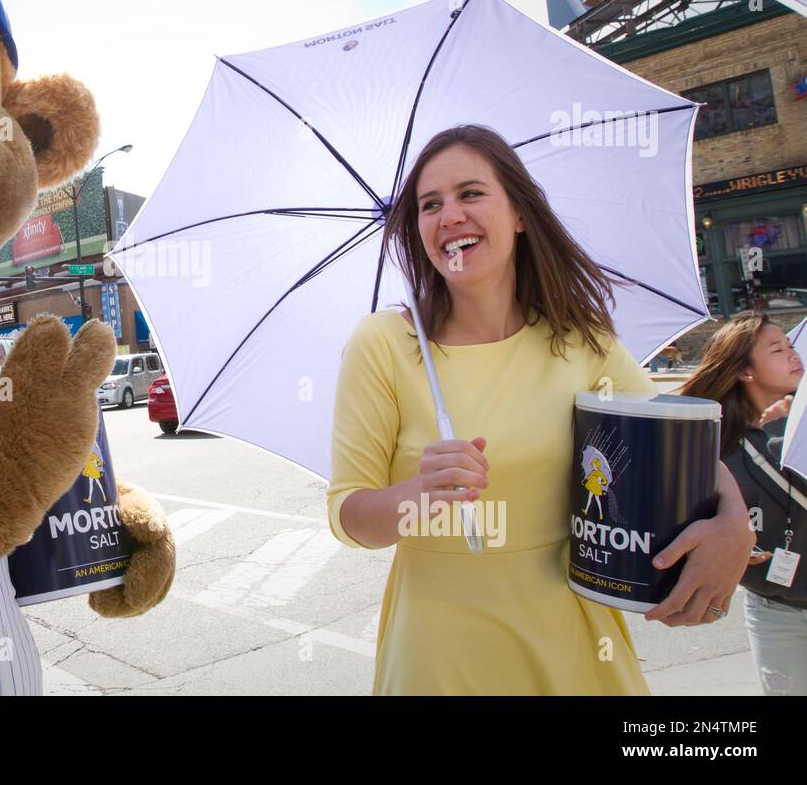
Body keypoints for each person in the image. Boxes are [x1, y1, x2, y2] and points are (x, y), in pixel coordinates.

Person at [328, 124, 756, 695]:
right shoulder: (382, 342)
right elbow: (349, 516)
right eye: (430, 205)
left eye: (471, 194)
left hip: (576, 641)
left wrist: (733, 522)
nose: (449, 215)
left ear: (520, 215)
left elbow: (678, 444)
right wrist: (415, 497)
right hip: (440, 651)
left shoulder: (581, 338)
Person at [679, 313, 807, 695]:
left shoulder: (798, 425)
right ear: (746, 373)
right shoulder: (712, 445)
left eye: (790, 345)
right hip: (775, 611)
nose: (793, 354)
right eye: (777, 349)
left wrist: (792, 428)